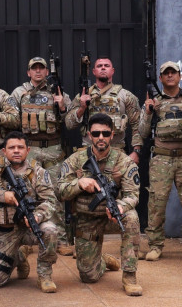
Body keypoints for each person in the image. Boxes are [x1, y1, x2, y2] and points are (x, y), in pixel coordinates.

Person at [57, 113, 143, 296]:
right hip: (87, 219)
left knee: (131, 218)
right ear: (89, 135)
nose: (101, 137)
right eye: (96, 134)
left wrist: (121, 206)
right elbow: (59, 191)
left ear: (112, 135)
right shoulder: (75, 160)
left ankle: (129, 276)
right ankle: (101, 260)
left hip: (113, 216)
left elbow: (133, 195)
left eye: (105, 133)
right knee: (89, 276)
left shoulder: (124, 161)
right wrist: (79, 184)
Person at [0, 131, 59, 293]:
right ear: (4, 151)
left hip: (30, 226)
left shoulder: (38, 172)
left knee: (50, 230)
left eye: (20, 147)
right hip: (5, 231)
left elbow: (50, 201)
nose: (16, 151)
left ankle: (44, 275)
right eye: (12, 147)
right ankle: (19, 257)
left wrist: (38, 215)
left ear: (27, 150)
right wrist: (2, 196)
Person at [138, 61, 182, 262]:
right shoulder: (154, 102)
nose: (170, 76)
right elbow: (143, 132)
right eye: (166, 73)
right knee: (156, 203)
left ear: (180, 76)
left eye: (173, 72)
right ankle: (155, 245)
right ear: (161, 78)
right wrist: (148, 113)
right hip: (162, 159)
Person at [10, 57, 72, 256]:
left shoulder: (58, 91)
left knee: (56, 194)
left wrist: (62, 106)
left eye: (41, 68)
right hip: (31, 149)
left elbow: (71, 121)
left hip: (54, 149)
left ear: (47, 71)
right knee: (27, 193)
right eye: (34, 68)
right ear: (28, 72)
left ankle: (60, 239)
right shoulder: (19, 93)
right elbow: (11, 120)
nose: (38, 71)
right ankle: (27, 240)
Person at [65, 57, 143, 162]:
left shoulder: (125, 95)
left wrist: (136, 152)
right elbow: (69, 124)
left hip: (117, 153)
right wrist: (82, 108)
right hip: (88, 154)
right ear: (94, 71)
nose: (103, 68)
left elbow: (137, 125)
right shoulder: (83, 96)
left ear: (113, 71)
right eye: (99, 66)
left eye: (106, 66)